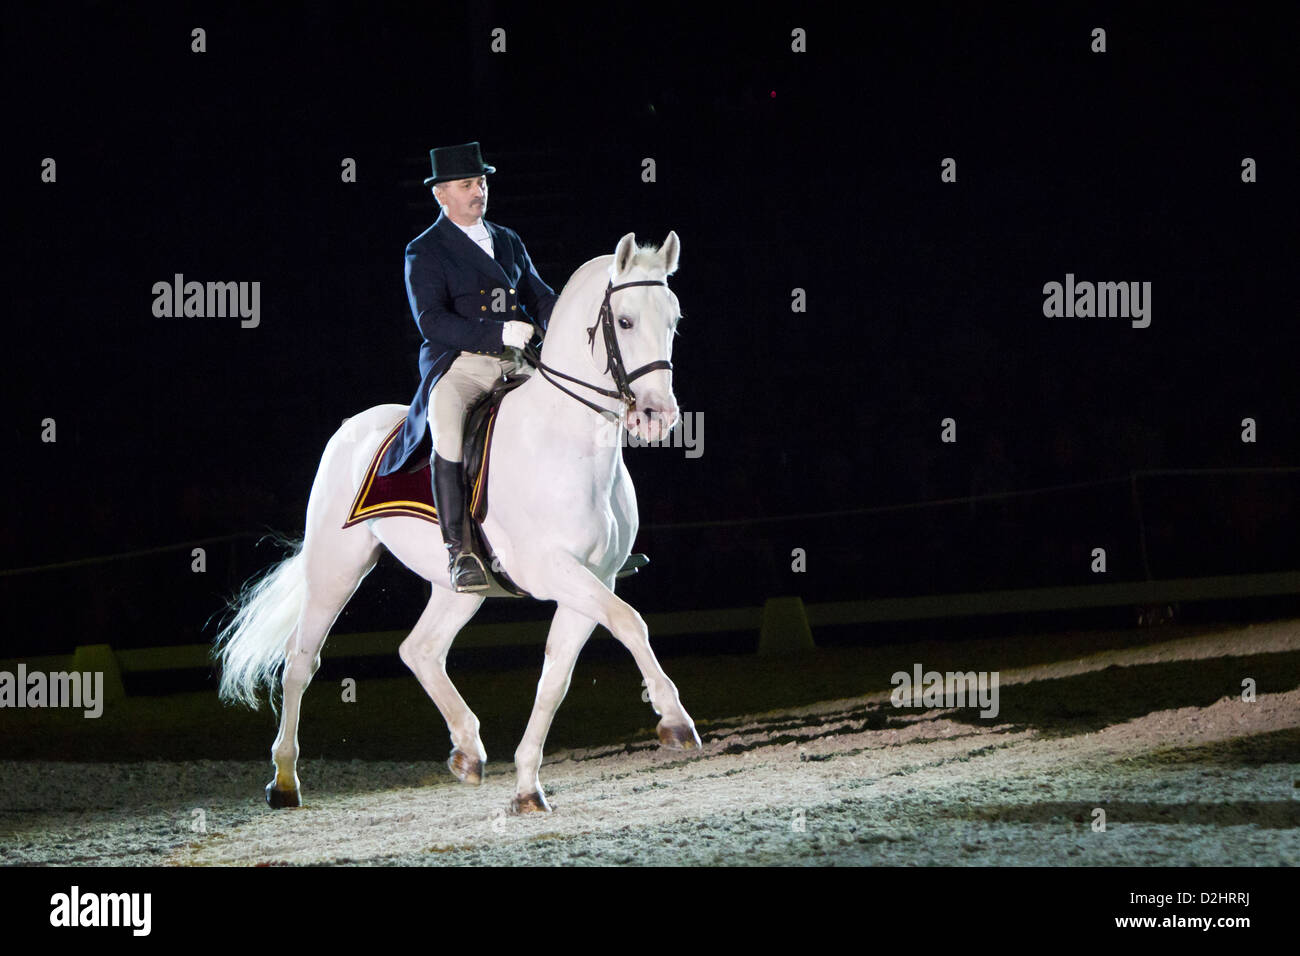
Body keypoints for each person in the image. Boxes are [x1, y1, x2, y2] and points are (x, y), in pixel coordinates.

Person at [377, 142, 558, 591]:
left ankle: (587, 533)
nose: (479, 191)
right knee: (448, 431)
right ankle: (459, 552)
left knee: (574, 415)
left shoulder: (508, 239)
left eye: (481, 182)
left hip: (517, 363)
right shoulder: (425, 250)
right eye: (467, 184)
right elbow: (431, 321)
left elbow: (539, 295)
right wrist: (496, 333)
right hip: (460, 364)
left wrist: (564, 322)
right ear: (441, 194)